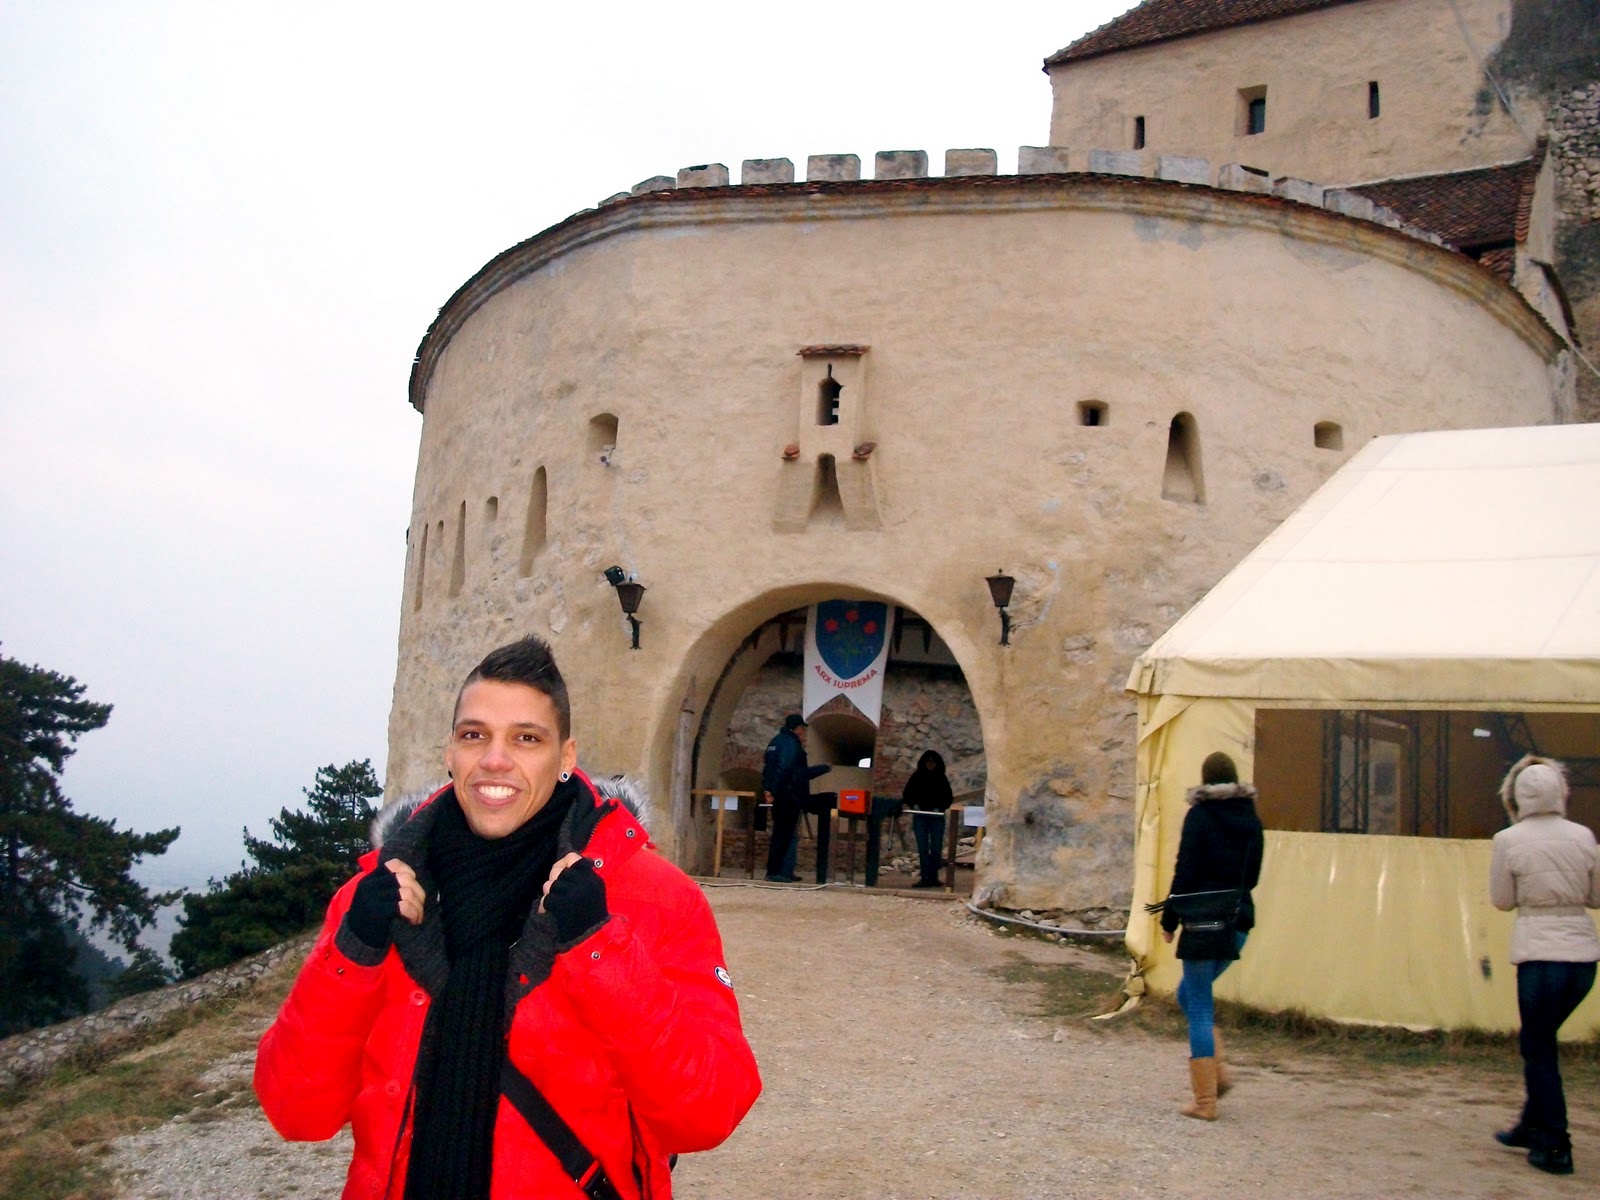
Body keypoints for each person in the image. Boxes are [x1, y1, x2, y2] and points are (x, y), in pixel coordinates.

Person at [254, 635, 761, 1199]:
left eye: (526, 738)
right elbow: (296, 1111)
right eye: (475, 736)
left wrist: (599, 946)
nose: (495, 760)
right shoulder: (377, 894)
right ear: (449, 751)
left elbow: (709, 1110)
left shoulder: (654, 898)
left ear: (565, 757)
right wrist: (355, 949)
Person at [1489, 754, 1600, 1176]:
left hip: (1538, 955)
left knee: (1539, 1051)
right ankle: (1530, 1124)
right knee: (1540, 1044)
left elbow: (1501, 900)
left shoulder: (1508, 839)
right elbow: (1595, 897)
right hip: (1583, 958)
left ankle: (1555, 1143)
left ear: (1517, 794)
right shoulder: (1584, 835)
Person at [1155, 751, 1263, 1122]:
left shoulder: (1199, 816)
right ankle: (1216, 1073)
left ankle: (1205, 1101)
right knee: (1189, 994)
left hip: (1203, 925)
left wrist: (1169, 919)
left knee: (1198, 1005)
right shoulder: (1251, 819)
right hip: (1238, 922)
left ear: (1204, 780)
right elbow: (1253, 878)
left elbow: (1184, 872)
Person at [761, 713, 830, 883]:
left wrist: (768, 789)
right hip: (789, 795)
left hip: (780, 794)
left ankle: (784, 870)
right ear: (797, 728)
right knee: (783, 834)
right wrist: (821, 769)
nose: (803, 732)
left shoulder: (775, 742)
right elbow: (789, 770)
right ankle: (776, 871)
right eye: (802, 729)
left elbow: (769, 768)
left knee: (784, 833)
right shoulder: (791, 744)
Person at [902, 749, 954, 888]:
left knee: (936, 848)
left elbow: (948, 797)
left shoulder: (941, 779)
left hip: (937, 818)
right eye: (928, 762)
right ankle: (925, 878)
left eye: (933, 762)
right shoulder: (917, 777)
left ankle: (933, 876)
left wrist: (940, 807)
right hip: (920, 818)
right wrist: (914, 805)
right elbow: (907, 794)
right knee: (923, 848)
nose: (930, 765)